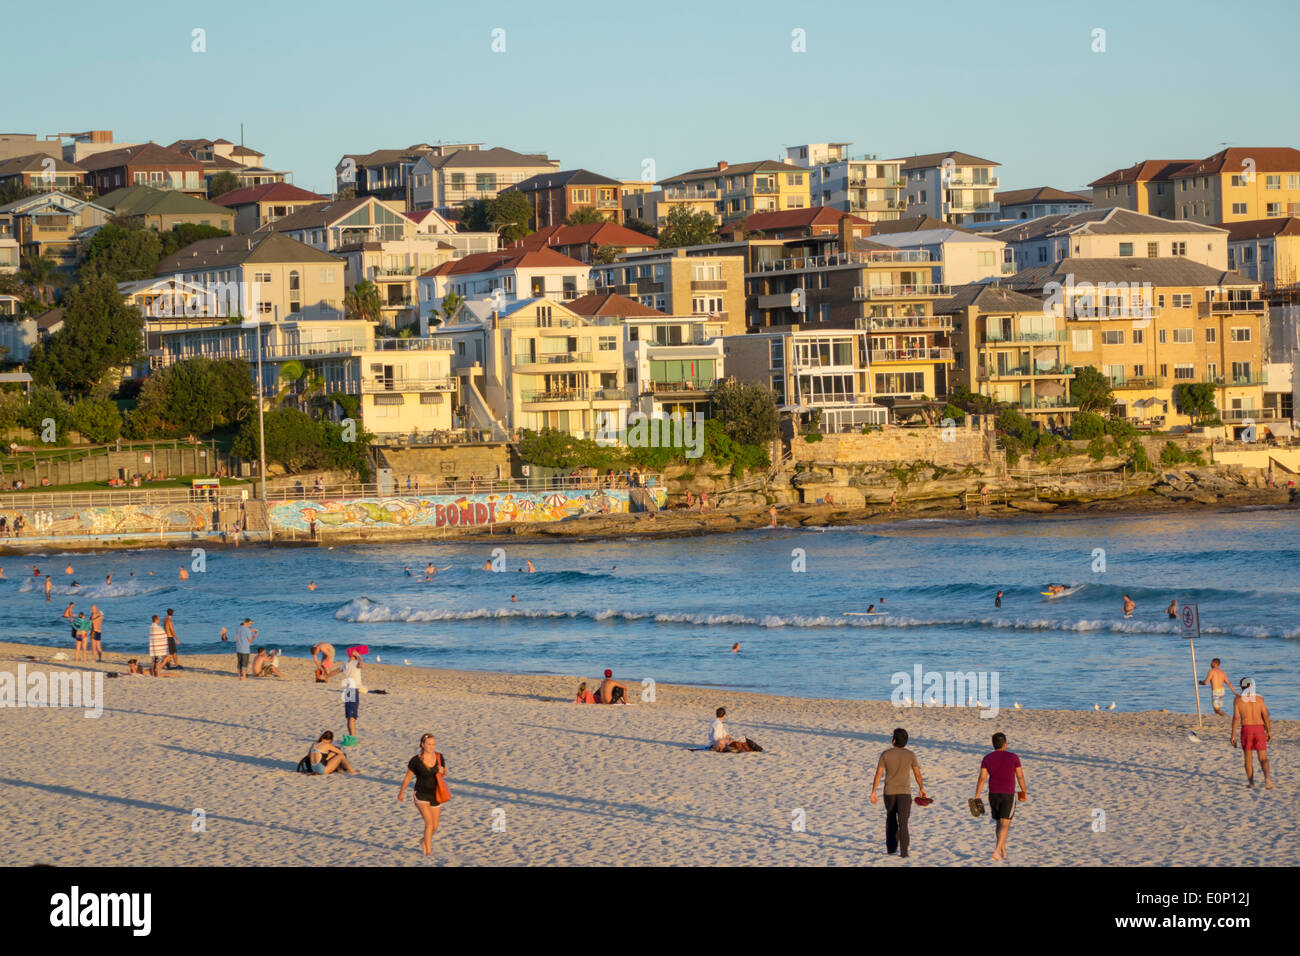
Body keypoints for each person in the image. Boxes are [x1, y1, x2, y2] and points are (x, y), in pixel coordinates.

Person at [869, 728, 926, 858]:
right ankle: (904, 852)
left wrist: (873, 792)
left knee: (891, 819)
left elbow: (878, 774)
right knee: (903, 822)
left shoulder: (885, 754)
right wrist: (921, 788)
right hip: (904, 793)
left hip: (889, 793)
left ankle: (891, 849)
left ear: (894, 740)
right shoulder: (911, 755)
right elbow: (917, 774)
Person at [975, 732, 1027, 861]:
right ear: (1005, 744)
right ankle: (997, 850)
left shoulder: (987, 758)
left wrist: (977, 796)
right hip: (1008, 794)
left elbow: (982, 778)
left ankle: (1003, 849)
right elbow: (1020, 776)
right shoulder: (1013, 757)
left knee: (998, 823)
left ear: (993, 745)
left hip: (993, 794)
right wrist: (1023, 791)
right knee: (1005, 823)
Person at [398, 733, 448, 857]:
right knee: (429, 824)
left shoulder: (439, 757)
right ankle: (428, 851)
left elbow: (443, 774)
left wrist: (443, 771)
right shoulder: (415, 761)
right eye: (429, 744)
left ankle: (423, 840)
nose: (432, 747)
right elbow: (408, 777)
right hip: (421, 794)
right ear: (422, 745)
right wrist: (401, 792)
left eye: (433, 744)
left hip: (435, 794)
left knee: (435, 826)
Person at [1231, 679, 1273, 789]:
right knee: (1263, 758)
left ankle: (1251, 783)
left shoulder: (1238, 700)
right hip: (1259, 729)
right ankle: (1267, 780)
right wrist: (1268, 731)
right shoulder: (1260, 699)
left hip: (1246, 729)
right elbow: (1266, 716)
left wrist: (1233, 735)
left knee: (1248, 759)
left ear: (1241, 687)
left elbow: (1236, 719)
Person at [341, 646, 368, 738]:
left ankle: (352, 737)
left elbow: (337, 670)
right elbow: (362, 665)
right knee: (352, 717)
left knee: (350, 716)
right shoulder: (356, 662)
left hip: (347, 690)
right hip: (353, 690)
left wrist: (327, 676)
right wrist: (359, 656)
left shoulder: (345, 663)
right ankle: (352, 738)